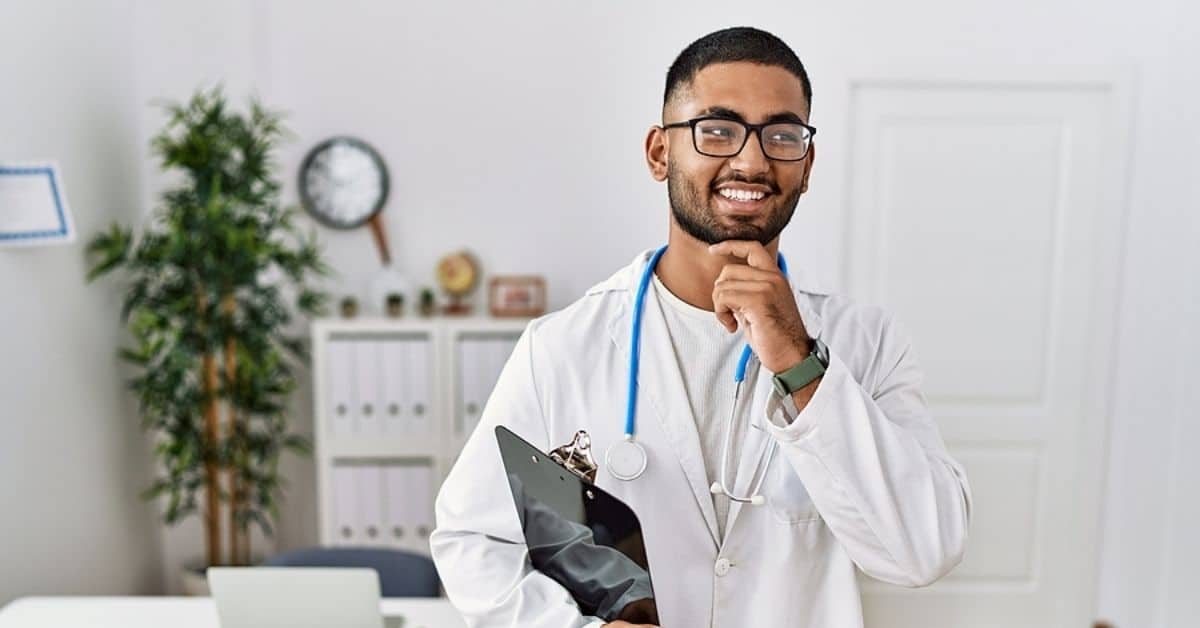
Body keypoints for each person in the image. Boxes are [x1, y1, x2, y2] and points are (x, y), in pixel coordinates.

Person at [430, 26, 972, 628]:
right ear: (661, 153)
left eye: (782, 135)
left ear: (807, 163)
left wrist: (799, 360)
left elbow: (925, 550)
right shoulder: (561, 347)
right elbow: (472, 538)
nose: (751, 159)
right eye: (717, 130)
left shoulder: (866, 343)